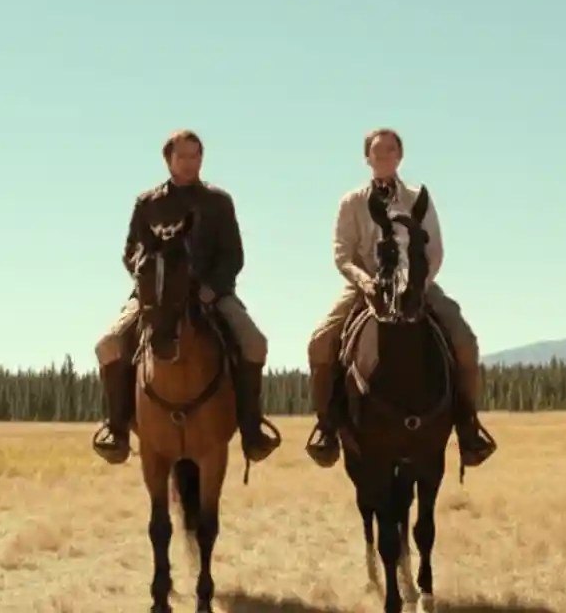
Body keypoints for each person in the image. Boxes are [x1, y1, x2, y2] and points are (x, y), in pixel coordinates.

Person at [304, 127, 497, 468]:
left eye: (391, 150)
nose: (384, 156)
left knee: (465, 339)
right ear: (367, 158)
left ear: (400, 156)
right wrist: (365, 283)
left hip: (418, 284)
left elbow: (434, 248)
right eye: (377, 151)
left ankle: (468, 425)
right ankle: (327, 425)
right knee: (320, 341)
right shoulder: (351, 202)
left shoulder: (417, 196)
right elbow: (342, 254)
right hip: (365, 285)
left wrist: (419, 285)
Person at [91, 129, 281, 465]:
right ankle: (117, 428)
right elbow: (130, 251)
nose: (190, 163)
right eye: (183, 156)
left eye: (196, 156)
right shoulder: (148, 203)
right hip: (156, 296)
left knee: (254, 343)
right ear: (168, 160)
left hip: (210, 294)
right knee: (107, 344)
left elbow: (233, 255)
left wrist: (212, 287)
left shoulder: (218, 202)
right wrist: (148, 277)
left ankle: (251, 428)